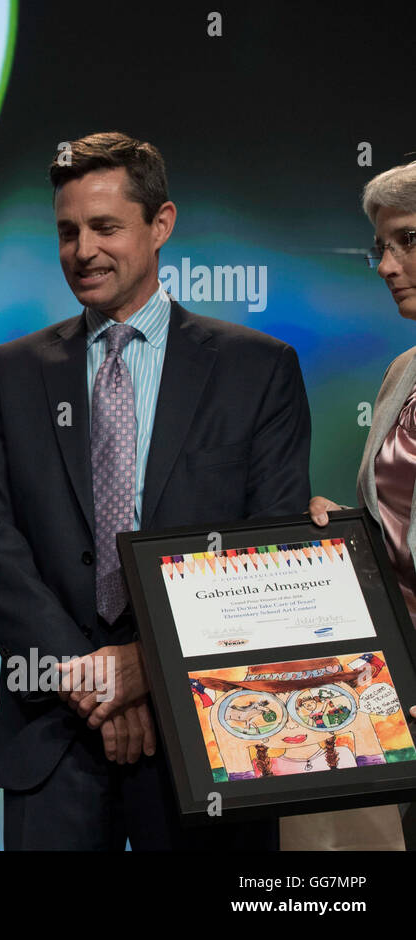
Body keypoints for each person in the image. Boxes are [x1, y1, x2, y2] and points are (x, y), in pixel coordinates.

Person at [0, 131, 311, 849]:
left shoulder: (257, 368)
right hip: (54, 734)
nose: (82, 250)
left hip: (212, 730)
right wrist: (94, 682)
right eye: (67, 231)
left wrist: (150, 665)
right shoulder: (13, 372)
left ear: (161, 224)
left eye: (105, 228)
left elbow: (269, 547)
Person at [306, 158, 416, 851]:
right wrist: (346, 534)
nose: (386, 264)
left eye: (407, 239)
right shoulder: (401, 375)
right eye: (381, 245)